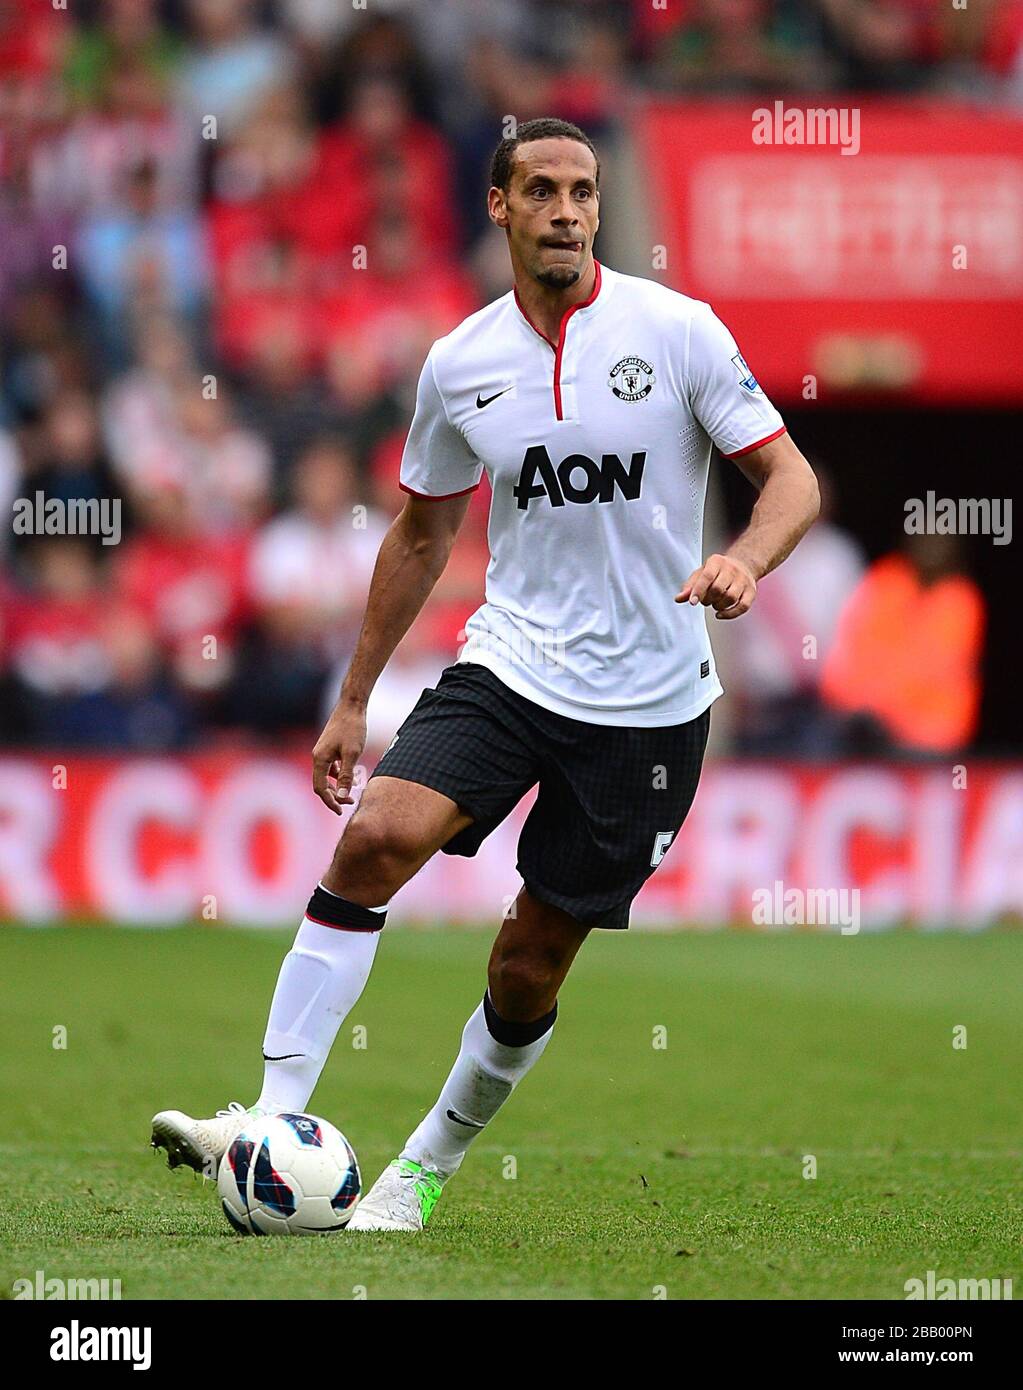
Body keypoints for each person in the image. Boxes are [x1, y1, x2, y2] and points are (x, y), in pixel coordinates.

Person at [151, 117, 820, 1230]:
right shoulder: (461, 363)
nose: (567, 209)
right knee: (374, 838)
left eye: (585, 192)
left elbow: (787, 479)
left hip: (651, 706)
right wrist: (355, 696)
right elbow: (420, 536)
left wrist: (743, 560)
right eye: (543, 190)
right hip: (512, 662)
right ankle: (268, 1117)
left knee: (527, 964)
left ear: (600, 210)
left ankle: (425, 1163)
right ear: (500, 208)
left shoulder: (680, 331)